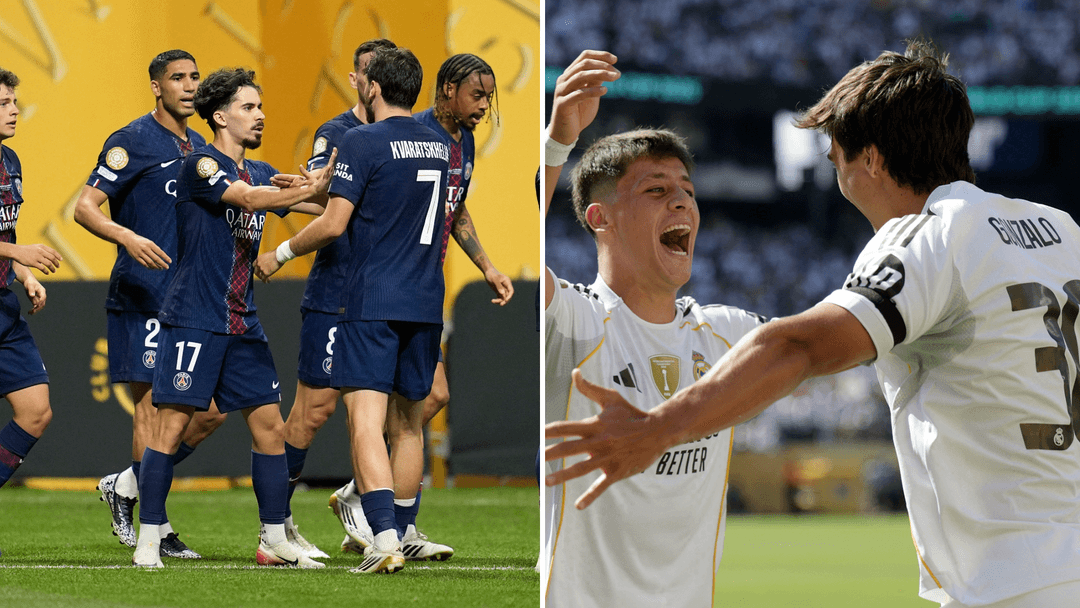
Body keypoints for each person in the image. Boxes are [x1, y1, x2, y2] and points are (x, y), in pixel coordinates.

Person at [546, 40, 1080, 608]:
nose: (834, 172)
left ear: (870, 160)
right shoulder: (1060, 230)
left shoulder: (928, 233)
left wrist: (657, 429)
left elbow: (799, 344)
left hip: (1010, 582)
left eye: (836, 156)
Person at [541, 50, 785, 607]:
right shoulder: (576, 323)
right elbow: (518, 248)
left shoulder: (726, 334)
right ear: (599, 219)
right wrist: (558, 141)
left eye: (687, 191)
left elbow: (823, 342)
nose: (681, 199)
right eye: (655, 190)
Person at [254, 46, 449, 575]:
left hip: (370, 298)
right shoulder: (440, 144)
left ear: (372, 88)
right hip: (426, 299)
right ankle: (386, 530)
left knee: (364, 421)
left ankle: (384, 539)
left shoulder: (361, 140)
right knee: (408, 423)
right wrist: (316, 188)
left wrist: (280, 252)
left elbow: (337, 221)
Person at [131, 67, 334, 569]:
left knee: (269, 427)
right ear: (220, 116)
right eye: (248, 107)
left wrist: (327, 187)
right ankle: (149, 538)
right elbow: (248, 199)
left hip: (243, 322)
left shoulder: (263, 172)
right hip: (194, 318)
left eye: (260, 106)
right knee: (169, 429)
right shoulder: (200, 164)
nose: (260, 114)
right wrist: (303, 189)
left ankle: (273, 539)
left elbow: (322, 207)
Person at [73, 49, 226, 559]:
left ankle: (127, 485)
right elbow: (84, 207)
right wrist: (128, 238)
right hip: (143, 295)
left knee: (210, 413)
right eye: (177, 78)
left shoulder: (203, 145)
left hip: (191, 298)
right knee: (154, 411)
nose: (188, 85)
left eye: (194, 77)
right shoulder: (131, 140)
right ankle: (156, 530)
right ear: (156, 87)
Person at [0, 67, 62, 555]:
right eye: (3, 102)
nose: (14, 109)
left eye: (14, 101)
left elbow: (6, 233)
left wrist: (24, 274)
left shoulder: (10, 160)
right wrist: (17, 256)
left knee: (35, 411)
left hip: (3, 306)